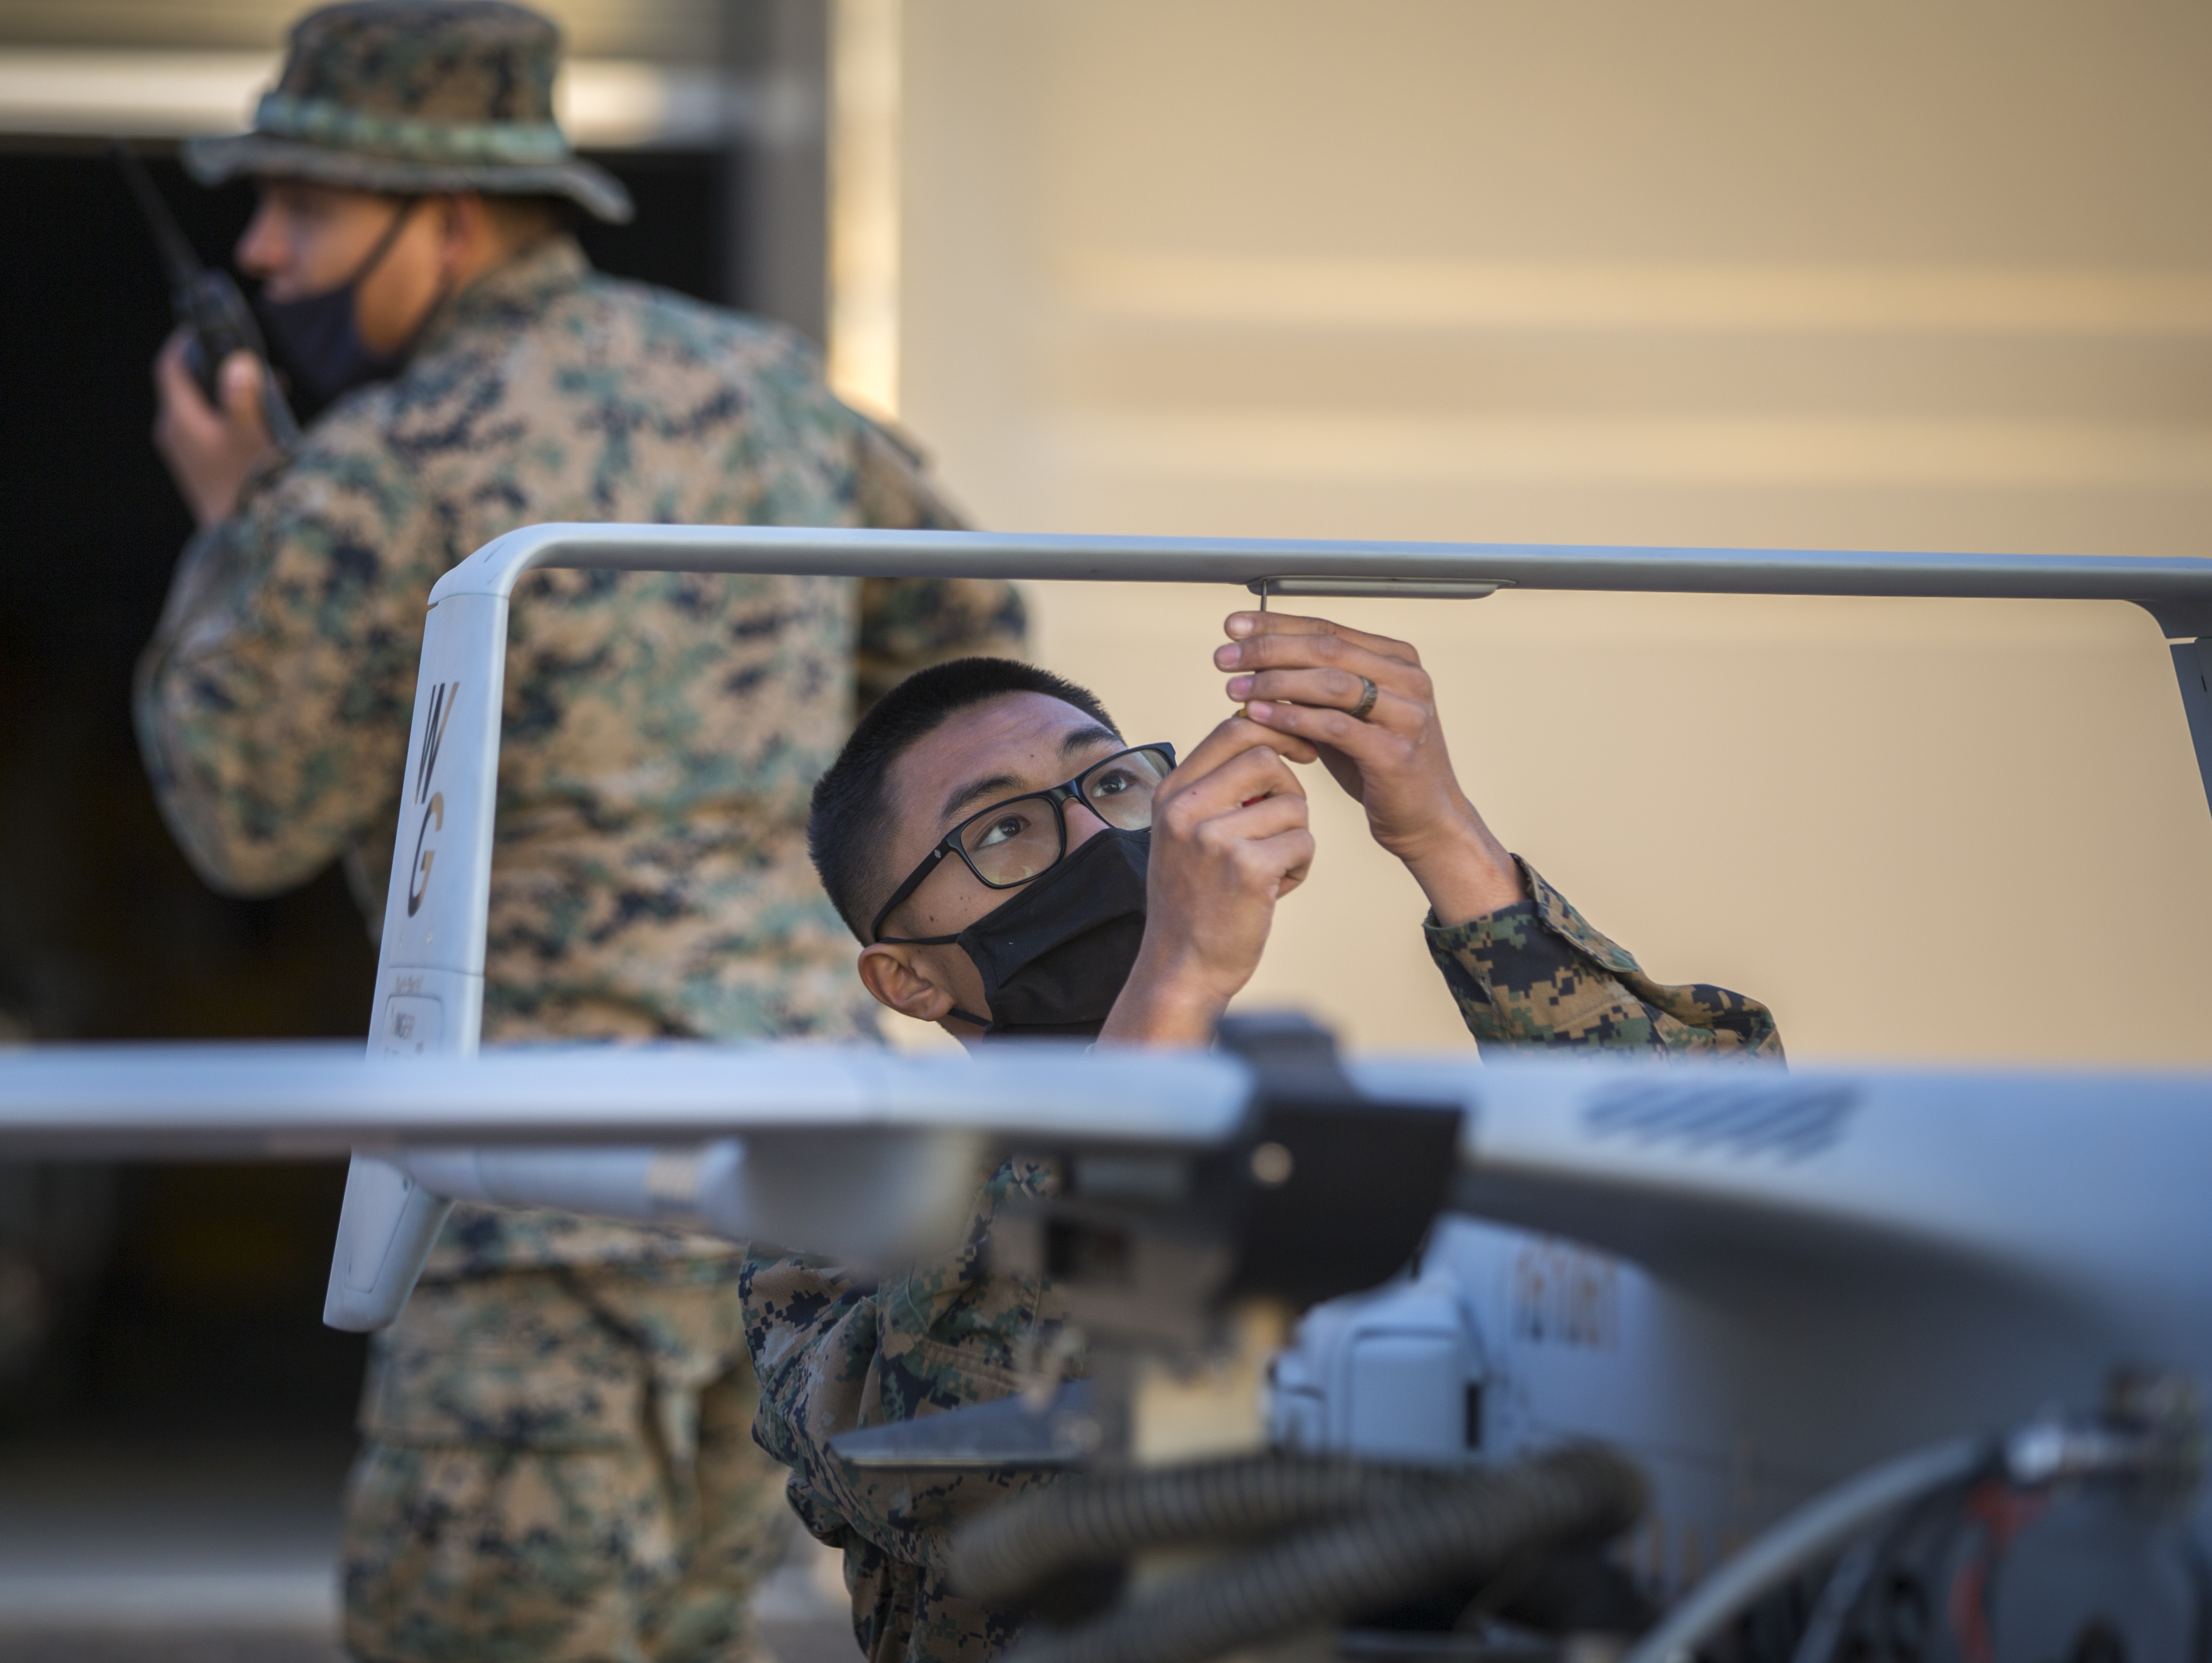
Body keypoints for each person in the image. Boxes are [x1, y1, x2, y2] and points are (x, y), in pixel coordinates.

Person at [130, 5, 1023, 1660]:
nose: (260, 253)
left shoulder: (383, 465)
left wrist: (233, 528)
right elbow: (972, 642)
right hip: (789, 1183)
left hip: (542, 1199)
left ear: (450, 218)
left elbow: (242, 813)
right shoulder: (768, 394)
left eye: (302, 209)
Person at [743, 608, 1780, 1663]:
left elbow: (1739, 1195)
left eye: (1112, 784)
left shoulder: (1341, 1147)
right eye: (1001, 830)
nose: (1101, 840)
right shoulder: (847, 1219)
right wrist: (1176, 978)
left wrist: (1439, 834)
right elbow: (934, 1446)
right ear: (908, 977)